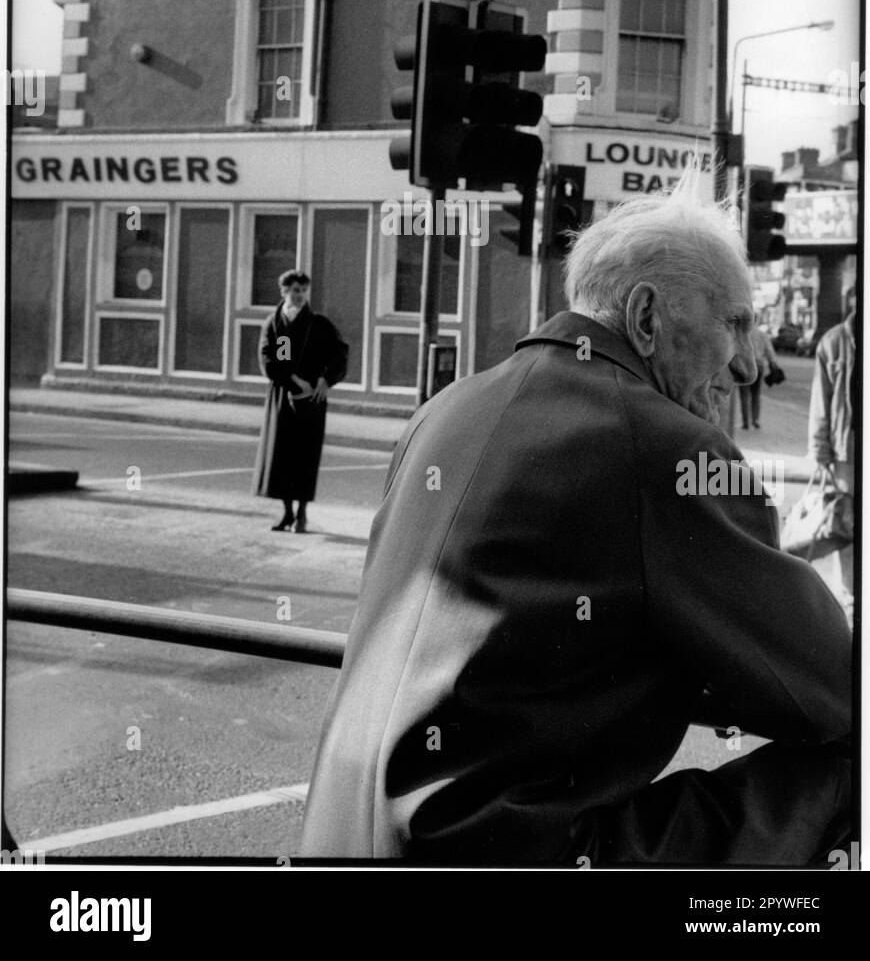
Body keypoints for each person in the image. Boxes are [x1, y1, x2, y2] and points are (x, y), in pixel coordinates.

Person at [301, 171, 851, 866]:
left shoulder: (443, 412)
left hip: (344, 840)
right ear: (648, 318)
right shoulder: (664, 445)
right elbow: (832, 681)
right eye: (734, 323)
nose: (747, 366)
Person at [252, 270, 348, 533]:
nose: (299, 295)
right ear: (283, 292)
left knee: (305, 456)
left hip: (311, 402)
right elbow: (270, 361)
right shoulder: (275, 324)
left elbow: (340, 354)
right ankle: (286, 513)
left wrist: (326, 380)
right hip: (283, 397)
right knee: (282, 456)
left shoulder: (319, 324)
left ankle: (302, 514)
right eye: (294, 290)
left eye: (303, 290)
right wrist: (294, 381)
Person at [808, 291, 856, 616]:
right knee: (846, 522)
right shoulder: (834, 341)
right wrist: (819, 452)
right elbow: (820, 402)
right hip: (846, 450)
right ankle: (851, 597)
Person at [739, 320, 778, 429]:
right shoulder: (762, 335)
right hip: (759, 367)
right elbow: (769, 351)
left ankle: (745, 422)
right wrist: (773, 363)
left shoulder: (742, 333)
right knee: (756, 394)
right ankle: (755, 420)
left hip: (743, 366)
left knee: (744, 395)